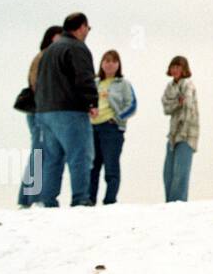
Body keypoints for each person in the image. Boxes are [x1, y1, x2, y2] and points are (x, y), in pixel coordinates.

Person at [35, 13, 98, 208]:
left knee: (52, 159)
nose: (87, 32)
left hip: (46, 111)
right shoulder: (77, 48)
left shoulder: (51, 49)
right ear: (81, 27)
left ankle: (48, 200)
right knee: (80, 155)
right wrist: (92, 102)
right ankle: (80, 199)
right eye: (88, 28)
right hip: (70, 110)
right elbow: (84, 78)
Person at [17, 25, 63, 207]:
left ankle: (29, 197)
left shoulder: (46, 56)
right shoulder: (45, 57)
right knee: (40, 153)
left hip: (41, 111)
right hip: (40, 112)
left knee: (40, 153)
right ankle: (31, 197)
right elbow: (37, 84)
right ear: (51, 38)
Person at [88, 49, 137, 205]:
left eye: (113, 61)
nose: (109, 64)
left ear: (118, 65)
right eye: (106, 61)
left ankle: (110, 200)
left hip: (111, 129)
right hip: (92, 128)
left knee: (111, 165)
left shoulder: (123, 84)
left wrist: (117, 119)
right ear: (101, 63)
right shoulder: (95, 83)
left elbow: (132, 105)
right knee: (92, 167)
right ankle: (89, 199)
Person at [162, 55, 198, 202]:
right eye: (173, 67)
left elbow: (187, 104)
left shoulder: (188, 84)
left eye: (178, 67)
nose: (175, 70)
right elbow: (166, 106)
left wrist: (177, 103)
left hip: (187, 133)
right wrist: (178, 102)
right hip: (173, 135)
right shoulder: (169, 87)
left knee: (180, 172)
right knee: (168, 173)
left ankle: (179, 203)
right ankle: (169, 202)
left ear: (184, 69)